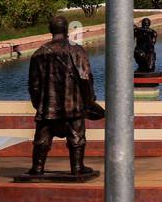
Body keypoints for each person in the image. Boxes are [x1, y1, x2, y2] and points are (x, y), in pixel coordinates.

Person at [27, 14, 104, 177]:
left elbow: (34, 85)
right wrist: (89, 99)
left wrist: (38, 104)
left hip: (48, 107)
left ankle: (37, 168)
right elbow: (85, 78)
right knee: (76, 138)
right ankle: (77, 167)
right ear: (66, 30)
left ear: (50, 30)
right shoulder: (76, 50)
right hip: (73, 105)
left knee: (42, 139)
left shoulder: (38, 53)